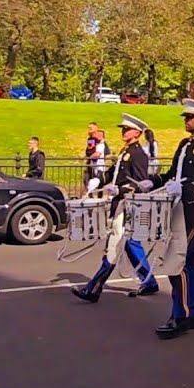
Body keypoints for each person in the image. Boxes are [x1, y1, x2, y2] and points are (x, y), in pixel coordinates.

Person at [135, 100, 194, 339]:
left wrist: (184, 190)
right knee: (191, 261)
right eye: (185, 117)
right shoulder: (185, 144)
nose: (186, 120)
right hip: (178, 211)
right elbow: (172, 174)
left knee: (178, 262)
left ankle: (181, 315)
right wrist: (153, 182)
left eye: (191, 117)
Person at [73, 115, 158, 302]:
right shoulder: (125, 150)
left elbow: (140, 183)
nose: (123, 132)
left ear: (137, 132)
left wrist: (120, 189)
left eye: (127, 129)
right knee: (129, 244)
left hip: (127, 205)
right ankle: (149, 280)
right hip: (119, 203)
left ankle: (93, 288)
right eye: (122, 129)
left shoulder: (138, 154)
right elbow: (114, 172)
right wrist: (99, 181)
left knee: (114, 246)